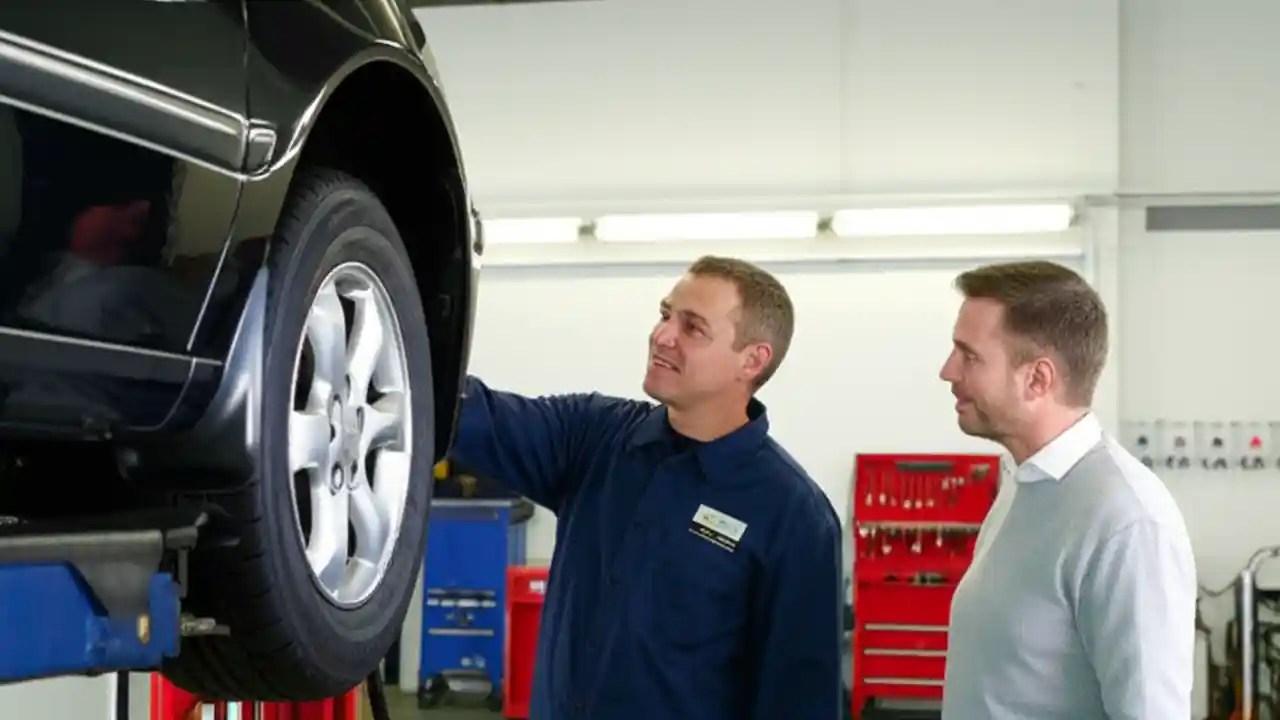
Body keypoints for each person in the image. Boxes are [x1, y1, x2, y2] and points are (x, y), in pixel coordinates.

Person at [448, 255, 844, 720]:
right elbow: (467, 415)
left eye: (693, 328)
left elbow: (799, 703)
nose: (662, 336)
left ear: (752, 360)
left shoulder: (795, 518)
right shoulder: (594, 438)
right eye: (664, 314)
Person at [937, 260, 1196, 719]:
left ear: (1037, 379)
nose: (947, 371)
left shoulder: (1126, 521)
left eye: (969, 355)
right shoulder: (1022, 485)